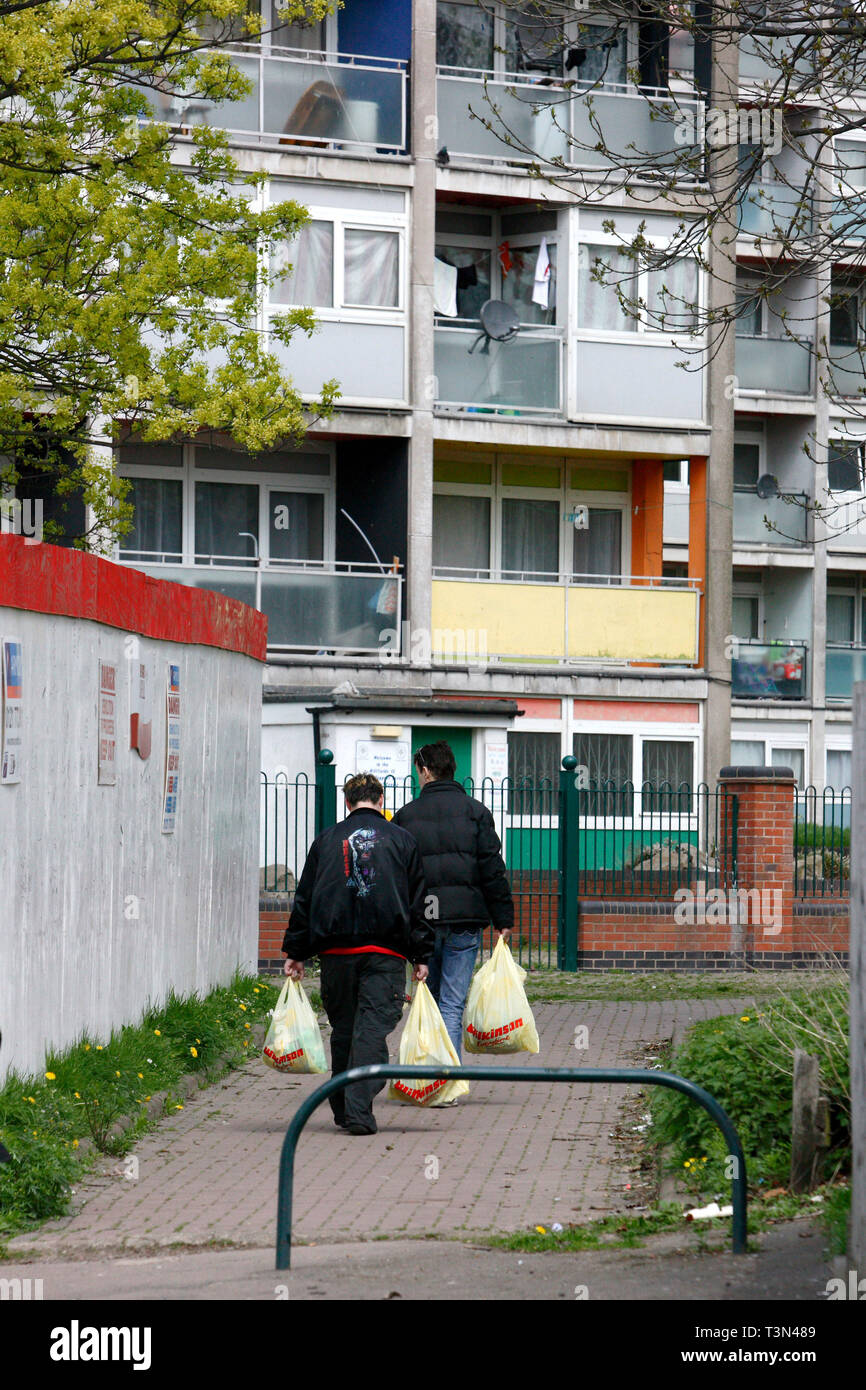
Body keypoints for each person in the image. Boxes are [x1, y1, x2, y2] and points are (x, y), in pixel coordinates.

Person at [282, 772, 432, 1136]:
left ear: (347, 802)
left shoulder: (325, 841)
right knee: (372, 1028)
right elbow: (420, 904)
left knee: (345, 1029)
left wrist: (296, 951)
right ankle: (357, 1111)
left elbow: (305, 900)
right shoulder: (403, 841)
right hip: (386, 950)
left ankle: (342, 1105)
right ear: (380, 800)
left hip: (336, 952)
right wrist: (421, 954)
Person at [392, 741, 513, 1064]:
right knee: (453, 1002)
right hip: (465, 920)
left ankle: (426, 1074)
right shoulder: (476, 812)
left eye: (419, 770)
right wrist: (503, 918)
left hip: (424, 924)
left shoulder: (405, 817)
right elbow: (492, 868)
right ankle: (447, 1077)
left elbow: (397, 876)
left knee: (428, 997)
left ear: (426, 771)